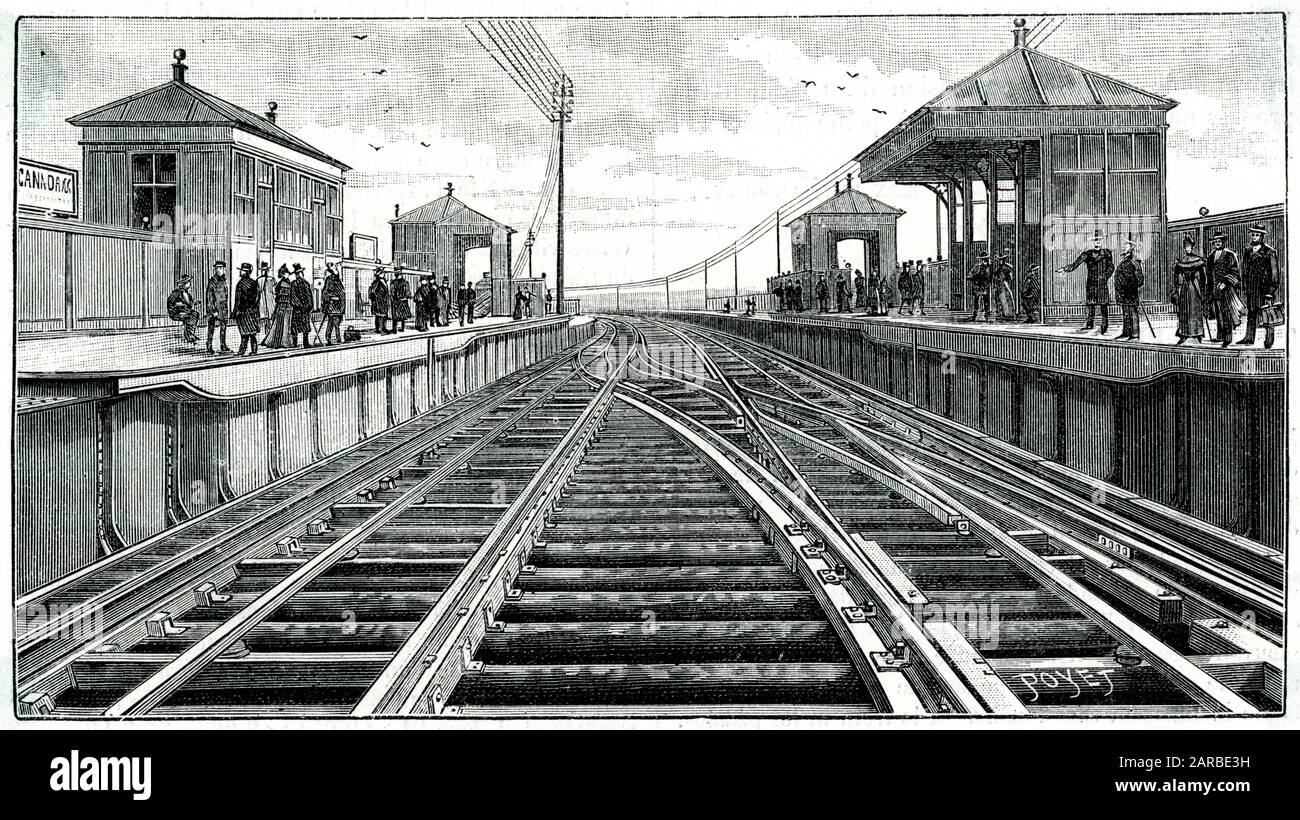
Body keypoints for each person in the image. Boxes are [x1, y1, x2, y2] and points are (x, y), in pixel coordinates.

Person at [1057, 230, 1114, 333]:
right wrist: (1064, 269)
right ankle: (1089, 324)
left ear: (1102, 241)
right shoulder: (1087, 254)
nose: (1098, 242)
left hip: (1102, 283)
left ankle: (1104, 325)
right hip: (1092, 283)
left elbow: (1111, 267)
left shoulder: (1107, 253)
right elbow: (1075, 264)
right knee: (1091, 304)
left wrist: (1105, 277)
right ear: (1093, 242)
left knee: (1103, 305)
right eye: (1096, 240)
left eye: (1100, 240)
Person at [1239, 224, 1281, 348]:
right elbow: (1245, 271)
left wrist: (1271, 291)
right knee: (1252, 314)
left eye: (1257, 235)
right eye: (1253, 234)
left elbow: (1274, 275)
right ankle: (1249, 338)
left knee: (1267, 315)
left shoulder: (1269, 252)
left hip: (1264, 290)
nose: (1254, 237)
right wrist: (1245, 287)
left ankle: (1268, 341)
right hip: (1252, 289)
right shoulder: (1247, 251)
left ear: (1262, 237)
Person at [1170, 234, 1207, 345]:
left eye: (1189, 246)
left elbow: (1202, 276)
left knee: (1195, 310)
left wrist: (1199, 284)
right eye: (1186, 246)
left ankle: (1197, 333)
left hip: (1195, 289)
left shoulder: (1198, 260)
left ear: (1192, 247)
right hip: (1185, 288)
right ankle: (1184, 334)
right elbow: (1177, 276)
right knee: (1184, 311)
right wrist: (1178, 286)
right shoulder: (1182, 260)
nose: (1188, 248)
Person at [1207, 231, 1242, 347]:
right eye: (1215, 241)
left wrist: (1225, 282)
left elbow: (1235, 272)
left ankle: (1228, 338)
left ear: (1223, 242)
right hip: (1215, 290)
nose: (1217, 243)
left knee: (1227, 314)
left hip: (1226, 290)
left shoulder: (1229, 255)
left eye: (1219, 241)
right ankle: (1220, 335)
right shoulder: (1211, 257)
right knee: (1218, 314)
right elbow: (1208, 274)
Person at [1113, 240, 1145, 341]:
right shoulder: (1124, 260)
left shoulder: (1134, 261)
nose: (1123, 247)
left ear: (1131, 248)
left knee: (1132, 313)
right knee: (1126, 312)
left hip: (1130, 292)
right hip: (1123, 293)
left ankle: (1134, 335)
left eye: (1126, 245)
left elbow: (1140, 278)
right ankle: (1126, 333)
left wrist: (1132, 287)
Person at [262, 265, 295, 348]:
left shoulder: (283, 282)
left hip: (282, 306)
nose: (288, 275)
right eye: (287, 273)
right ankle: (283, 342)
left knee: (280, 324)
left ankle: (279, 342)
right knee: (283, 324)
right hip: (284, 306)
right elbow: (284, 296)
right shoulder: (284, 283)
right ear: (283, 274)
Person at [232, 262, 261, 355]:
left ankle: (241, 352)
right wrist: (254, 307)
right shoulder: (254, 283)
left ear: (245, 272)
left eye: (242, 271)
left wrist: (235, 311)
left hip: (243, 312)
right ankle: (254, 351)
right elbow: (258, 298)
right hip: (252, 311)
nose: (240, 272)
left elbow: (238, 300)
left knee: (244, 334)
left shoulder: (240, 284)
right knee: (252, 333)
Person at [205, 260, 232, 354]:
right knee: (211, 327)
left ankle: (223, 345)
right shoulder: (213, 281)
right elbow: (209, 297)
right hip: (215, 308)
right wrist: (213, 310)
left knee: (223, 327)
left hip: (223, 308)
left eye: (220, 268)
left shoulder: (224, 280)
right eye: (217, 268)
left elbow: (226, 294)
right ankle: (209, 346)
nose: (218, 270)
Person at [167, 276, 200, 345]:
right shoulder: (176, 293)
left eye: (189, 282)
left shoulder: (187, 294)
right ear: (183, 284)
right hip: (176, 312)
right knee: (190, 316)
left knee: (195, 314)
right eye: (188, 282)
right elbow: (170, 302)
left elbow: (189, 304)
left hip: (185, 311)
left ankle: (191, 334)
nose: (189, 284)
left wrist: (195, 303)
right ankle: (189, 336)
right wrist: (179, 304)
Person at [289, 263, 314, 349]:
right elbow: (309, 298)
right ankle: (305, 343)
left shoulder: (294, 284)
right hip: (304, 309)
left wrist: (298, 305)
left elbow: (293, 298)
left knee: (296, 327)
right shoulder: (305, 283)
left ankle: (295, 344)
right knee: (304, 327)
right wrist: (308, 307)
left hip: (297, 309)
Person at [321, 262, 346, 345]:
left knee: (336, 323)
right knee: (332, 323)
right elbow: (325, 293)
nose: (337, 271)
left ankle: (335, 338)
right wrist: (330, 298)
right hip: (332, 305)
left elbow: (342, 293)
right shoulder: (329, 280)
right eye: (335, 270)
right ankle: (330, 338)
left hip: (338, 306)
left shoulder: (338, 281)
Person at [965, 252, 993, 322]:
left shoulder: (990, 268)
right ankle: (975, 315)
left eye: (986, 259)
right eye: (983, 259)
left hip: (985, 286)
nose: (985, 261)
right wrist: (973, 277)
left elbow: (991, 277)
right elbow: (970, 275)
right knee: (977, 301)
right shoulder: (978, 267)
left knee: (985, 301)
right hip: (978, 286)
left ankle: (986, 316)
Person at [990, 253, 1015, 320]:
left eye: (1001, 260)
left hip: (1003, 285)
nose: (1000, 261)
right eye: (999, 260)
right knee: (1001, 300)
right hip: (1000, 285)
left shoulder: (1005, 268)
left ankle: (1007, 314)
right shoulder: (1000, 268)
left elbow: (1009, 277)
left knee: (1005, 299)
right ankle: (1003, 314)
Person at [367, 267, 390, 335]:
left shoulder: (384, 281)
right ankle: (379, 328)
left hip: (384, 301)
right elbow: (373, 292)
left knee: (384, 315)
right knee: (379, 315)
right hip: (378, 301)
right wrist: (378, 298)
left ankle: (383, 327)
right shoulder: (376, 282)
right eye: (381, 273)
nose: (383, 274)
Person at [389, 269, 412, 333]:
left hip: (399, 301)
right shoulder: (400, 282)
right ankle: (397, 329)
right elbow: (392, 292)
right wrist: (407, 297)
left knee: (399, 316)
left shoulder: (395, 282)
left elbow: (407, 292)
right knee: (398, 316)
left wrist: (407, 297)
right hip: (400, 301)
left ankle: (398, 329)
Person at [256, 260, 274, 333]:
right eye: (263, 270)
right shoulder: (259, 280)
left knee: (269, 318)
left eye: (265, 270)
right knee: (263, 317)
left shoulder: (271, 279)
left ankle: (268, 332)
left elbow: (273, 290)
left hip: (270, 301)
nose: (264, 271)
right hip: (262, 301)